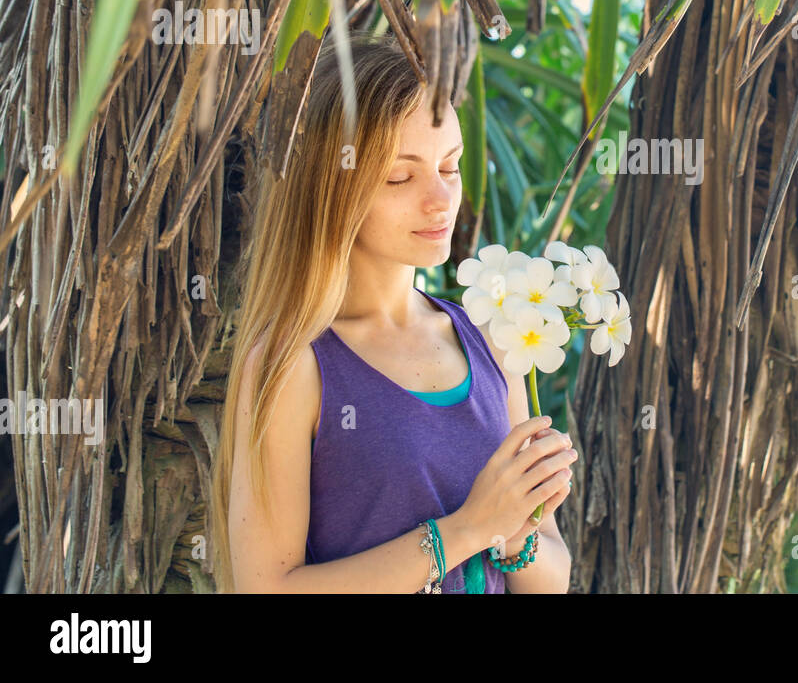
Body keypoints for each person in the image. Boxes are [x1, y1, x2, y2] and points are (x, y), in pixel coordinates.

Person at [210, 35, 576, 592]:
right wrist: (468, 529)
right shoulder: (293, 366)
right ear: (330, 187)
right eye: (399, 177)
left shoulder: (490, 341)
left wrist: (515, 530)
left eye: (449, 167)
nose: (440, 200)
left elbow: (551, 576)